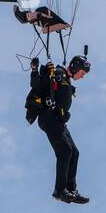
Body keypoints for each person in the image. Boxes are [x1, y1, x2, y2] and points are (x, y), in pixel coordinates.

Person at [29, 55, 91, 204]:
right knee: (65, 151)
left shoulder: (65, 79)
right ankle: (59, 191)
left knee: (74, 152)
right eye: (82, 73)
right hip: (49, 119)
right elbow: (38, 86)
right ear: (76, 68)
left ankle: (71, 190)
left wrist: (70, 89)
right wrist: (34, 71)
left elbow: (61, 92)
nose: (82, 77)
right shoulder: (58, 74)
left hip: (58, 121)